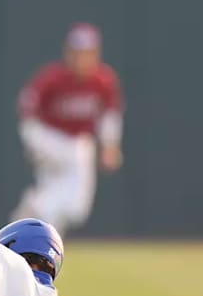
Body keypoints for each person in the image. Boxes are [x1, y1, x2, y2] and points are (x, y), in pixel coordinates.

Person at [11, 23, 124, 237]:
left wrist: (110, 145)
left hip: (79, 143)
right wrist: (33, 140)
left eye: (87, 53)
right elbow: (27, 107)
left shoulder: (103, 81)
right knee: (63, 195)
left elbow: (109, 117)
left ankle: (35, 211)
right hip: (50, 138)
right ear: (69, 53)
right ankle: (38, 223)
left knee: (75, 208)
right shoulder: (53, 78)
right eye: (78, 52)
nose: (82, 58)